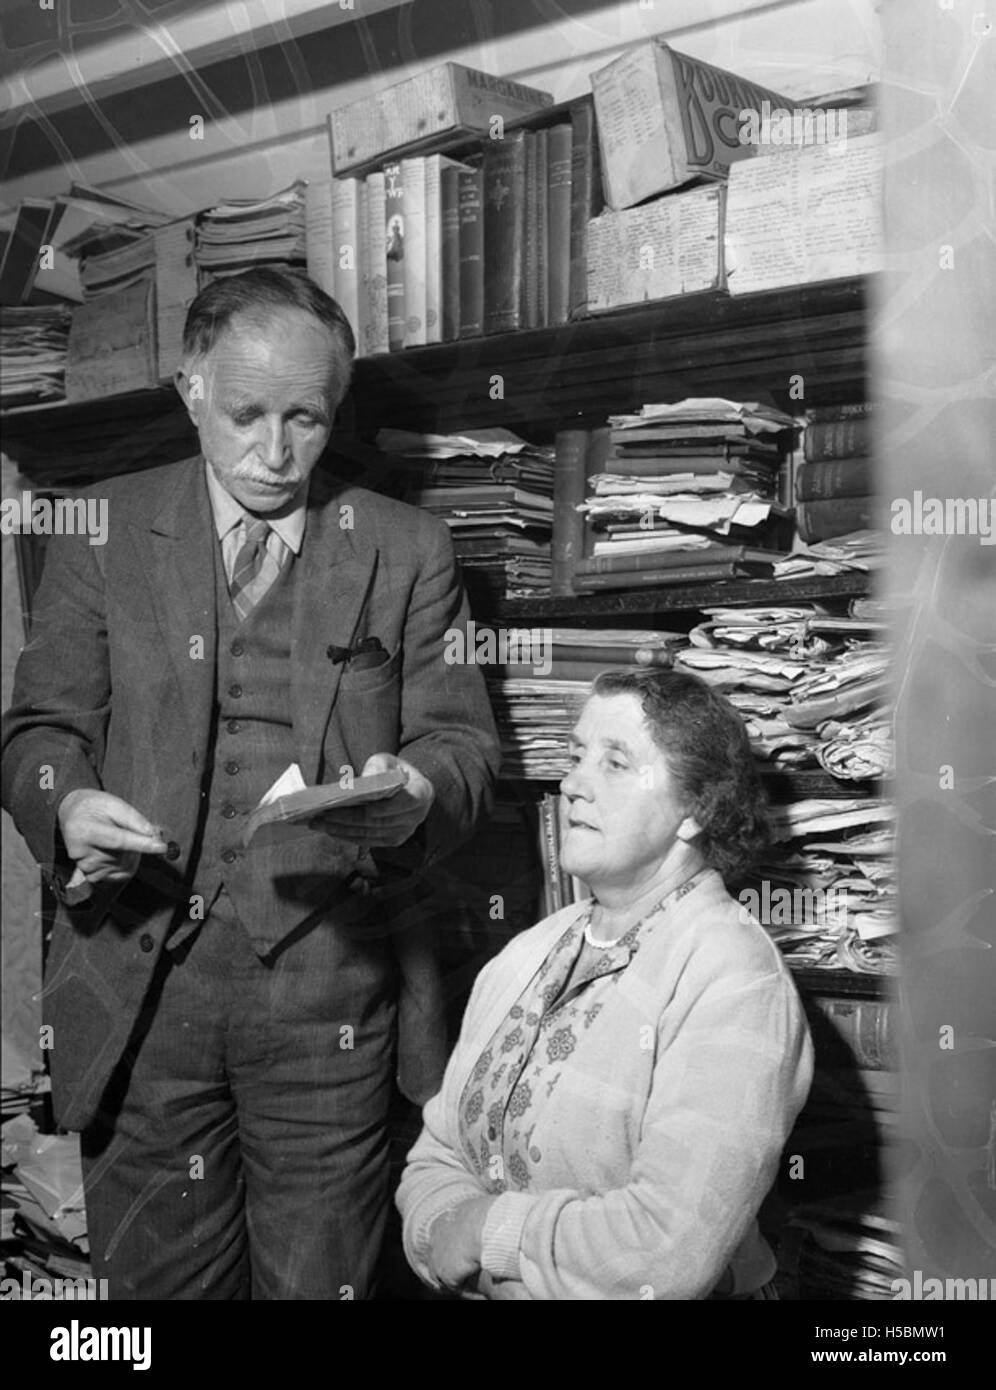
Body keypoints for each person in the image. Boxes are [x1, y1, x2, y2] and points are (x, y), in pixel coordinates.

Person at [1, 267, 500, 1300]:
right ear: (189, 387)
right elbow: (40, 731)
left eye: (307, 419)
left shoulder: (408, 549)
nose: (275, 452)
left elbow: (463, 746)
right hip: (141, 987)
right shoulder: (100, 531)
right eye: (246, 414)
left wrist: (418, 785)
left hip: (335, 994)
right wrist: (65, 802)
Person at [397, 667, 813, 1300]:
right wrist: (450, 1242)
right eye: (575, 756)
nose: (571, 784)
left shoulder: (735, 980)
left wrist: (486, 1232)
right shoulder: (525, 953)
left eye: (615, 763)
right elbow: (433, 1160)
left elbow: (666, 1253)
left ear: (695, 809)